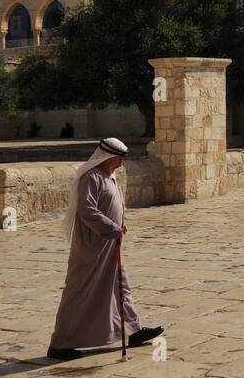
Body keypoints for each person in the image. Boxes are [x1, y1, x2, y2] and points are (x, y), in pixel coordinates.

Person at [47, 137, 163, 359]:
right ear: (107, 157)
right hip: (93, 246)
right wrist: (111, 226)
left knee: (120, 285)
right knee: (80, 290)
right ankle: (60, 343)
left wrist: (120, 224)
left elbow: (111, 204)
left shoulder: (109, 176)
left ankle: (134, 330)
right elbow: (87, 209)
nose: (121, 164)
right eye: (118, 159)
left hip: (110, 241)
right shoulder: (91, 177)